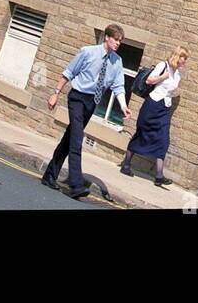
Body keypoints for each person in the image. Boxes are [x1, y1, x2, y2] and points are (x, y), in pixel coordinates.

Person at [42, 23, 131, 199]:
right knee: (77, 139)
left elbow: (118, 86)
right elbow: (69, 72)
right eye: (116, 39)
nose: (118, 43)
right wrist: (55, 93)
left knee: (69, 139)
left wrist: (122, 106)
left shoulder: (117, 62)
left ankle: (50, 175)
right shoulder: (88, 52)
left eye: (120, 41)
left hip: (92, 102)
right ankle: (76, 184)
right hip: (77, 97)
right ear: (107, 37)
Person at [121, 45, 189, 186]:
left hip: (164, 108)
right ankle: (126, 164)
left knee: (163, 139)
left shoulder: (178, 73)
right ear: (178, 56)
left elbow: (171, 89)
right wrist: (163, 77)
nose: (185, 61)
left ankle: (159, 175)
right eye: (184, 58)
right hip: (152, 106)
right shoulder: (162, 66)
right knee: (142, 134)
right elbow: (149, 81)